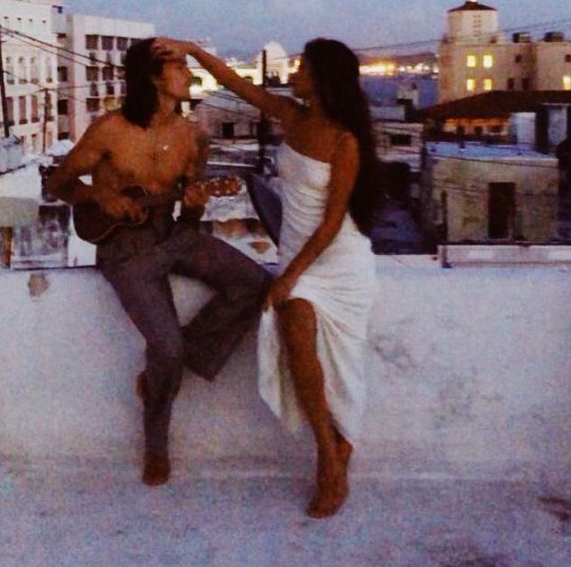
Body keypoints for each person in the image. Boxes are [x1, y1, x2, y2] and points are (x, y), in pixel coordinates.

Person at [154, 37, 380, 517]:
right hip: (300, 256)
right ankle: (329, 452)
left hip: (337, 262)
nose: (294, 72)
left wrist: (287, 276)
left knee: (318, 343)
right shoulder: (292, 117)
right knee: (296, 335)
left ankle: (335, 457)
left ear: (320, 78)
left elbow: (333, 220)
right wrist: (193, 49)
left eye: (302, 66)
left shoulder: (345, 141)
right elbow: (234, 82)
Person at [47, 39, 271, 487]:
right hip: (123, 251)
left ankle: (176, 363)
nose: (188, 75)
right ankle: (156, 442)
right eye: (179, 67)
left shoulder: (193, 137)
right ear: (153, 77)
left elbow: (188, 215)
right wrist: (100, 195)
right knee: (165, 347)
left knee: (252, 281)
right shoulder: (111, 129)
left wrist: (195, 202)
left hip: (171, 235)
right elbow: (59, 182)